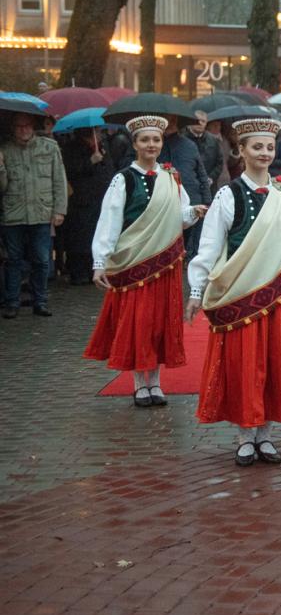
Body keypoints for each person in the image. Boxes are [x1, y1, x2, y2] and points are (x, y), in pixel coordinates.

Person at [185, 118, 281, 465]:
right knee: (245, 365)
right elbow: (209, 247)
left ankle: (266, 434)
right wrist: (197, 290)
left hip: (279, 296)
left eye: (270, 147)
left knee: (274, 363)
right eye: (257, 147)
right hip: (240, 296)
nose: (265, 153)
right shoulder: (228, 195)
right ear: (240, 151)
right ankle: (245, 435)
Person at [84, 116, 206, 406]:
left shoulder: (171, 177)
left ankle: (156, 383)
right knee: (139, 323)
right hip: (134, 263)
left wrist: (193, 213)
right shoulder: (123, 179)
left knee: (160, 323)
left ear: (162, 143)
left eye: (156, 140)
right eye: (145, 140)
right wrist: (100, 260)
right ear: (135, 144)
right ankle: (140, 384)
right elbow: (110, 221)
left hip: (165, 264)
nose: (151, 145)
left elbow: (178, 216)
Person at [0, 112, 68, 318]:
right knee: (13, 260)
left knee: (41, 259)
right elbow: (1, 188)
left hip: (41, 212)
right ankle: (12, 302)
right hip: (13, 213)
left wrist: (59, 210)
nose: (24, 130)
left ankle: (40, 301)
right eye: (19, 126)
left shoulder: (49, 148)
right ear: (13, 128)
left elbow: (59, 179)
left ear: (33, 126)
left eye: (27, 125)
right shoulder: (5, 150)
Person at [60, 127, 115, 285]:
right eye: (96, 132)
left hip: (100, 199)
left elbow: (109, 168)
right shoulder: (71, 148)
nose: (99, 135)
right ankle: (78, 272)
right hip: (81, 200)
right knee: (79, 239)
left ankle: (94, 269)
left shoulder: (103, 146)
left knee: (96, 236)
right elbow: (69, 170)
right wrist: (90, 162)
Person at [159, 116, 210, 259]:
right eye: (168, 122)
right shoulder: (157, 145)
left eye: (173, 122)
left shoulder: (189, 145)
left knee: (192, 241)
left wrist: (207, 200)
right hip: (167, 198)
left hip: (192, 196)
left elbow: (201, 173)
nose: (170, 125)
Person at [183, 110, 222, 258]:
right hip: (189, 187)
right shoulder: (183, 139)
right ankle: (187, 252)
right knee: (188, 221)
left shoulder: (213, 140)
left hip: (207, 187)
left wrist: (211, 177)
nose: (200, 124)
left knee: (203, 222)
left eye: (203, 121)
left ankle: (196, 254)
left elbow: (219, 162)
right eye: (197, 120)